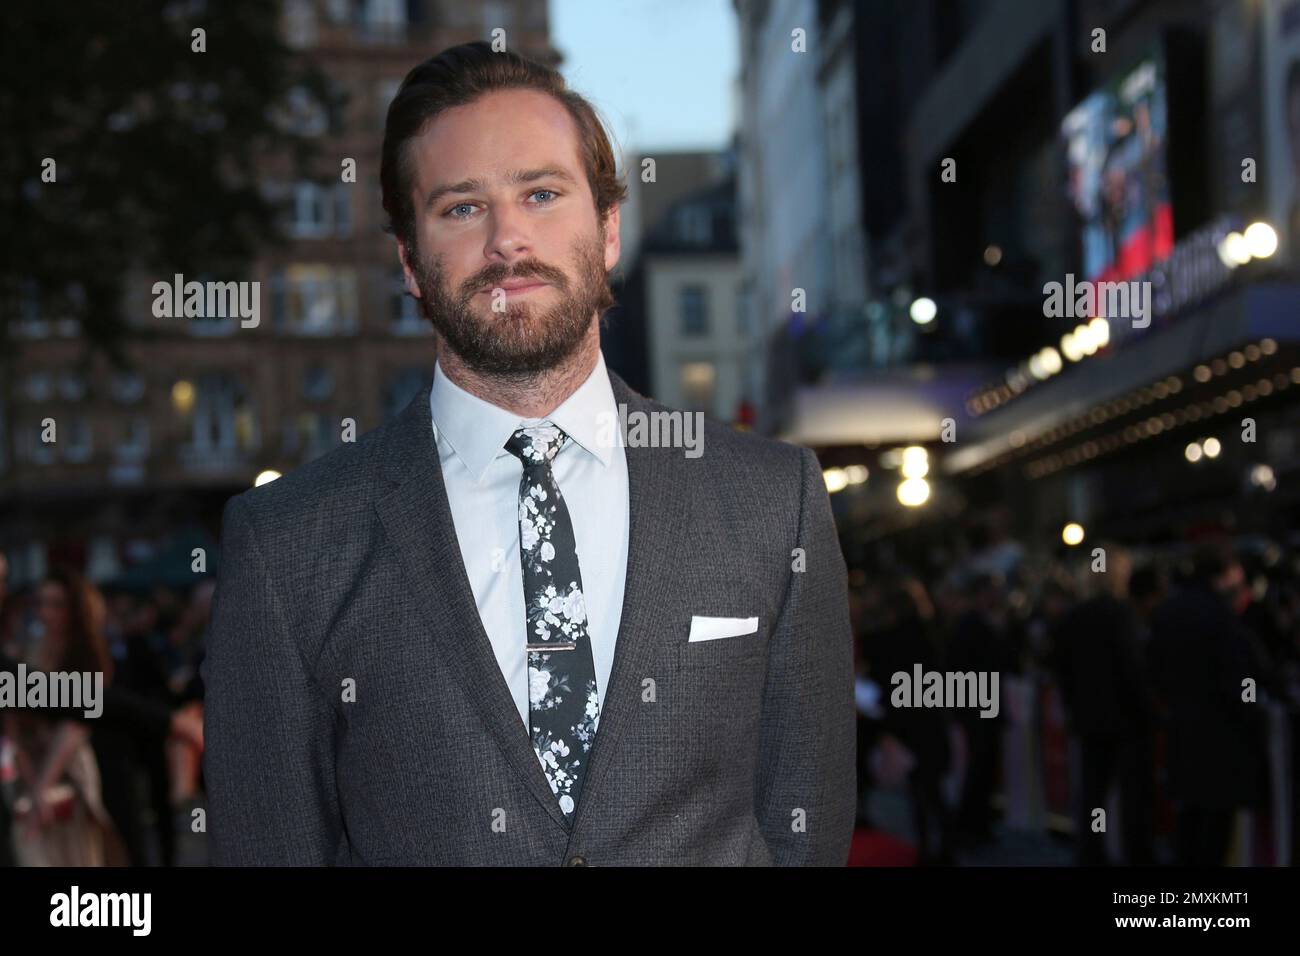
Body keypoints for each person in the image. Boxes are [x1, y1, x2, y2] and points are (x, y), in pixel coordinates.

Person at [202, 42, 856, 866]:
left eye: (541, 194)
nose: (509, 241)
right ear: (410, 260)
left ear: (609, 227)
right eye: (461, 209)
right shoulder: (287, 543)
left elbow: (808, 828)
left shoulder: (774, 500)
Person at [1148, 543, 1269, 866]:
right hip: (1221, 741)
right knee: (1214, 832)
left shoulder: (1168, 613)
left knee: (1188, 827)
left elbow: (1155, 672)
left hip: (1183, 735)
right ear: (1226, 573)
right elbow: (1238, 681)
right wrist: (1253, 709)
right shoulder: (1222, 617)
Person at [4, 570, 119, 866]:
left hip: (70, 769)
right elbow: (12, 719)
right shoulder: (28, 652)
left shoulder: (87, 655)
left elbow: (75, 726)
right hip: (29, 766)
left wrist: (43, 785)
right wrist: (31, 779)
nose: (46, 612)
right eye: (41, 603)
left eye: (56, 604)